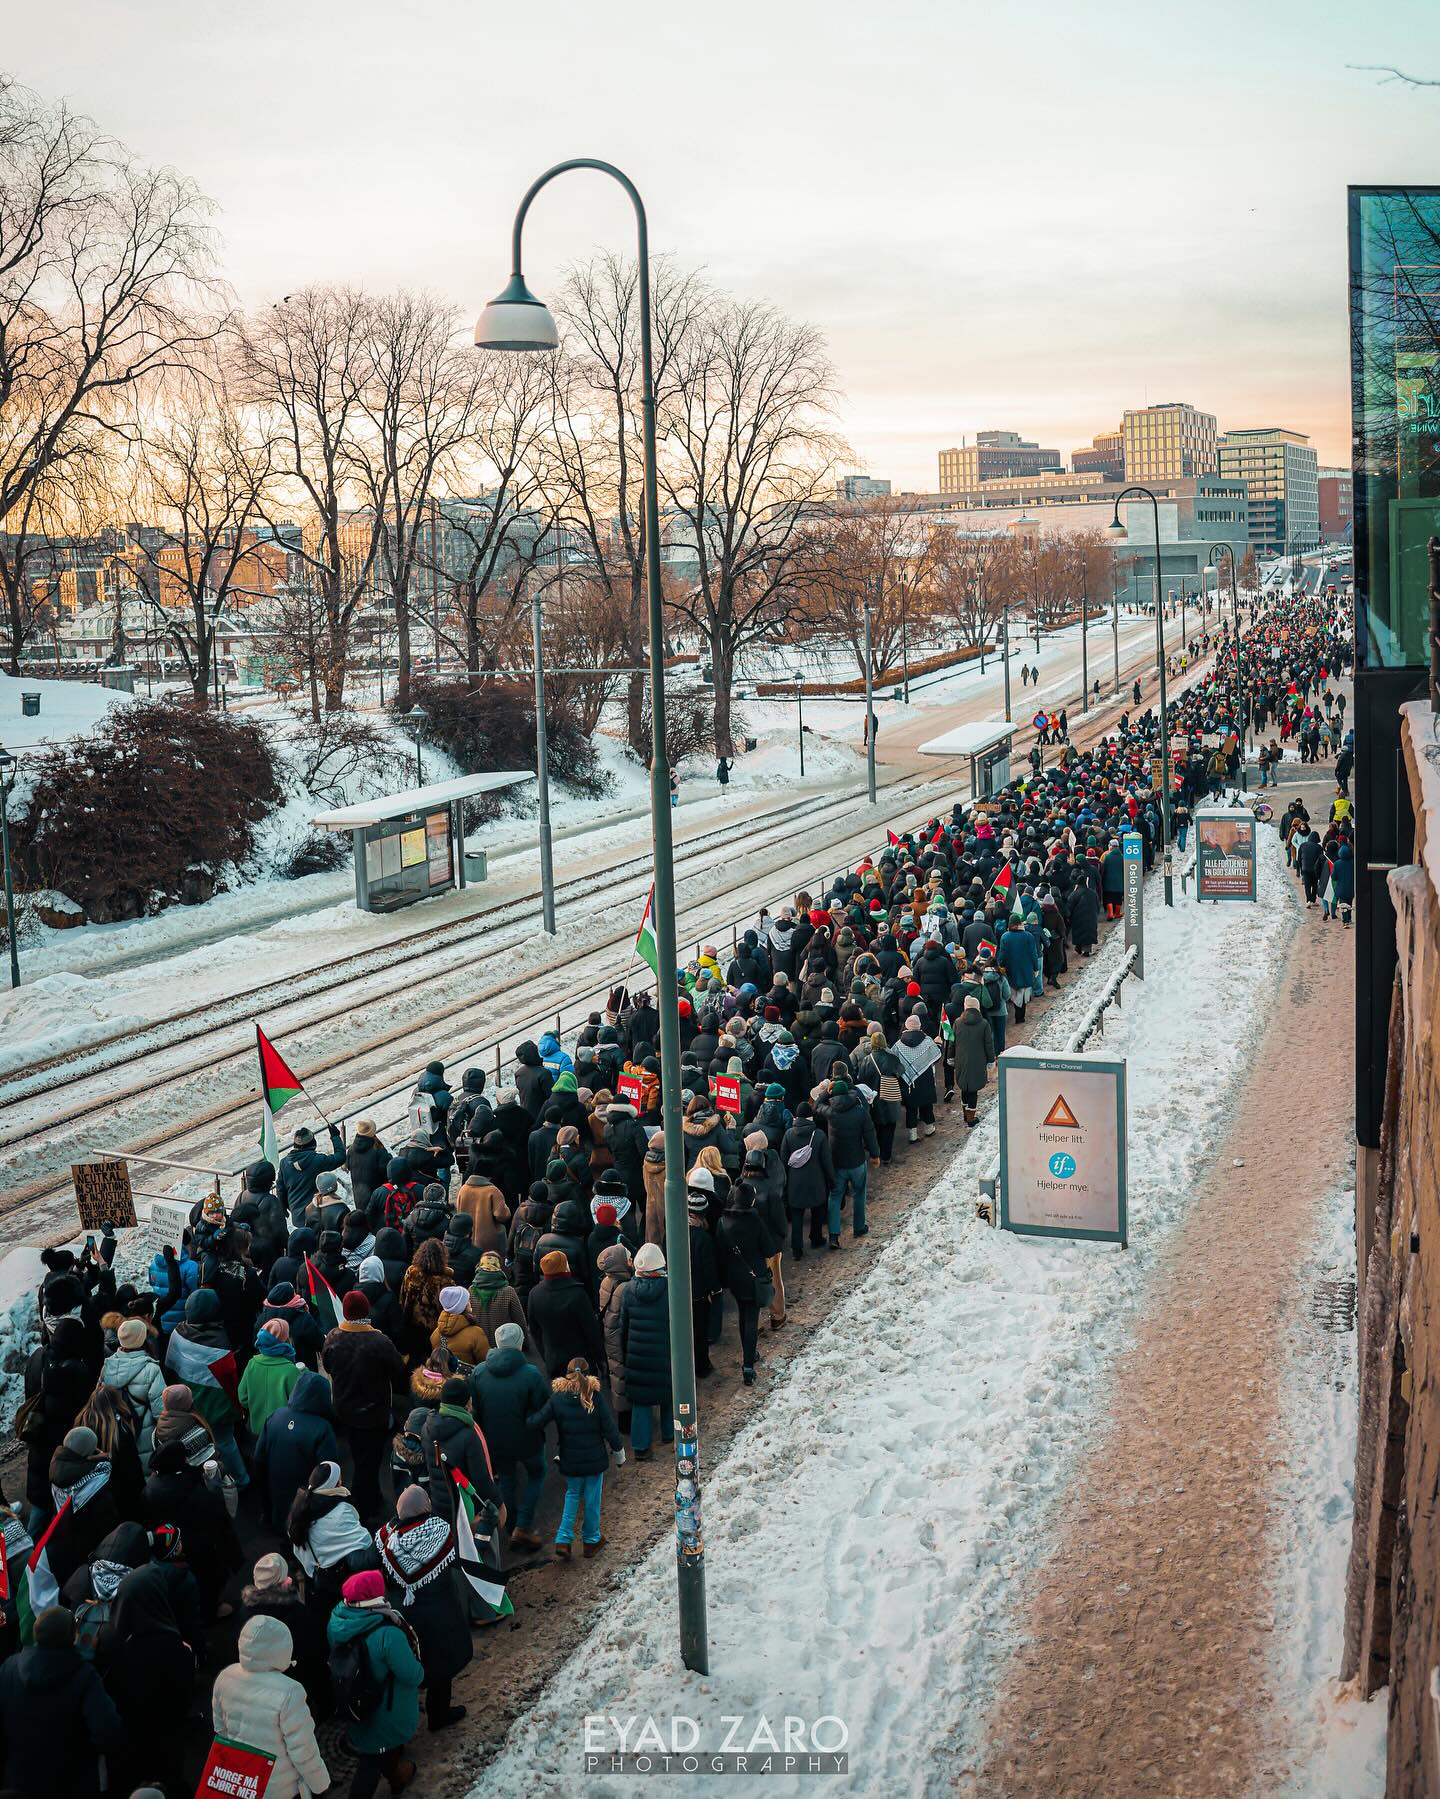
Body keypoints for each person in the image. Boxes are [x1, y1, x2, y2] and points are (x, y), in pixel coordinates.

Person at [374, 1485, 471, 1732]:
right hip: (441, 1616)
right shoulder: (441, 1532)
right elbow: (464, 1557)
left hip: (405, 1618)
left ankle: (408, 1717)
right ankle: (438, 1715)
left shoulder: (386, 1538)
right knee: (442, 1668)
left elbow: (369, 1567)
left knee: (411, 1664)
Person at [0, 1605, 122, 1798]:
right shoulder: (84, 1675)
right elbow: (107, 1730)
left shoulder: (9, 1668)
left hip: (19, 1780)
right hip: (71, 1782)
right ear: (72, 1636)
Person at [327, 1568, 424, 1798]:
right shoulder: (387, 1635)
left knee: (379, 1749)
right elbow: (413, 1674)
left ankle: (397, 1774)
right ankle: (394, 1777)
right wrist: (420, 1669)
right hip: (387, 1707)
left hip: (355, 1700)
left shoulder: (337, 1620)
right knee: (373, 1759)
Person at [211, 1615, 332, 1799]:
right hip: (279, 1788)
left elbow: (221, 1729)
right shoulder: (289, 1691)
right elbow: (303, 1749)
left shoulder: (225, 1677)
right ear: (283, 1649)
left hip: (242, 1781)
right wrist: (320, 1784)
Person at [526, 1357, 624, 1559]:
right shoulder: (594, 1397)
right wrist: (619, 1451)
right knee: (592, 1499)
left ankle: (563, 1538)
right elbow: (609, 1428)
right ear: (588, 1373)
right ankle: (591, 1540)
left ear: (567, 1372)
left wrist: (521, 1416)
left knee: (572, 1495)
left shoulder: (558, 1398)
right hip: (594, 1458)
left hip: (570, 1458)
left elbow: (537, 1421)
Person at [323, 1290, 407, 1526]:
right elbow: (398, 1370)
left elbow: (329, 1366)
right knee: (369, 1460)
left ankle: (370, 1497)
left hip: (346, 1410)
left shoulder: (333, 1338)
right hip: (374, 1412)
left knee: (359, 1455)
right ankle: (364, 1504)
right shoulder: (380, 1341)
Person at [470, 1322, 550, 1551]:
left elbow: (477, 1409)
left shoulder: (479, 1372)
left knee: (506, 1478)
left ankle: (511, 1523)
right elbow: (543, 1407)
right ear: (519, 1343)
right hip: (527, 1439)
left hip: (495, 1441)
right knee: (537, 1473)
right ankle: (523, 1526)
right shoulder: (531, 1374)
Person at [254, 1367, 340, 1531]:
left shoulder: (275, 1415)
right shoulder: (322, 1428)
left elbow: (259, 1458)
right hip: (305, 1498)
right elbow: (328, 1471)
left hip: (275, 1488)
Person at [620, 1243, 673, 1458]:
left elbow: (624, 1325)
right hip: (664, 1353)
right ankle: (670, 1433)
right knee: (669, 1394)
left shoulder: (628, 1290)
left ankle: (641, 1447)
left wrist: (627, 1353)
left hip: (637, 1355)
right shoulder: (670, 1289)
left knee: (640, 1402)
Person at [99, 1314, 165, 1467]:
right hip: (144, 1435)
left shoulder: (107, 1366)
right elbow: (161, 1411)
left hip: (115, 1435)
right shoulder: (151, 1369)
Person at [239, 1317, 301, 1440]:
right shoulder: (291, 1369)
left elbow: (243, 1398)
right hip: (285, 1432)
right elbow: (299, 1403)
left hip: (258, 1431)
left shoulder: (252, 1364)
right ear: (284, 1340)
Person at [951, 994, 995, 1127]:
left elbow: (953, 1042)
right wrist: (990, 1060)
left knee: (964, 1087)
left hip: (961, 1060)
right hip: (978, 1061)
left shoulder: (957, 1023)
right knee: (973, 1090)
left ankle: (966, 1114)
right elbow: (988, 1044)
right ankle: (971, 1118)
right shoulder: (984, 1024)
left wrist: (950, 1057)